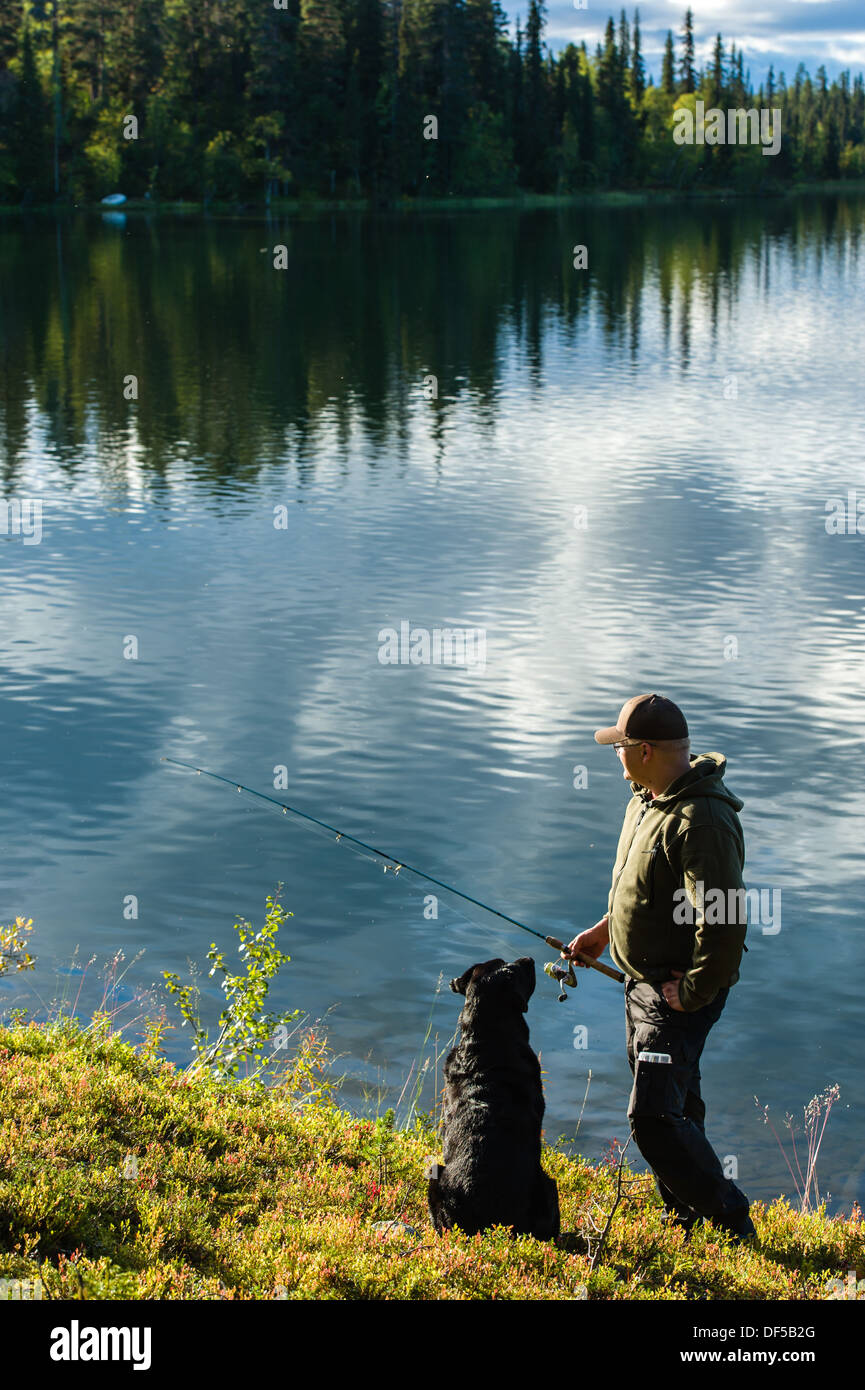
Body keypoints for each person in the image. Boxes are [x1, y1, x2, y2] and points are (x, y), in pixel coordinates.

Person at [564, 692, 756, 1242]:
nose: (615, 756)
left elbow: (724, 920)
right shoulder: (647, 798)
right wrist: (604, 933)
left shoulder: (702, 822)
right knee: (677, 1105)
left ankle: (730, 1222)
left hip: (675, 995)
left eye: (619, 747)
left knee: (651, 1117)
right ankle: (685, 1219)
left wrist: (692, 992)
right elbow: (643, 888)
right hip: (641, 986)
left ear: (644, 749)